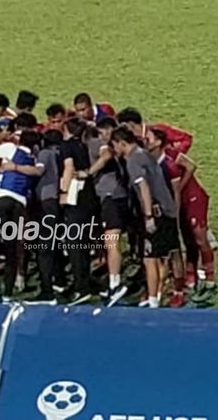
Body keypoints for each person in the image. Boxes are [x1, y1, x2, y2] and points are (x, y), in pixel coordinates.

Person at [111, 126, 180, 308]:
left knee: (149, 259)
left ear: (122, 143)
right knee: (161, 257)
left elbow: (144, 188)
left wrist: (148, 216)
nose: (114, 150)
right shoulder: (145, 154)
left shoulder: (133, 160)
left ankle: (152, 300)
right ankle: (155, 296)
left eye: (115, 145)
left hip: (156, 213)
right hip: (168, 211)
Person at [147, 128, 217, 303]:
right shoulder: (151, 160)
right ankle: (191, 278)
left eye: (148, 138)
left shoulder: (170, 155)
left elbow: (191, 166)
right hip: (180, 202)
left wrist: (180, 187)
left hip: (194, 199)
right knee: (188, 240)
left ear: (158, 142)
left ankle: (210, 281)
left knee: (200, 239)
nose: (145, 140)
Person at [0, 131, 43, 301]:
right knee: (13, 247)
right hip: (20, 204)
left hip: (3, 197)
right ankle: (8, 291)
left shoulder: (10, 148)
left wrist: (0, 139)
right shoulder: (33, 160)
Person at [83, 117, 130, 307]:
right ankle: (113, 283)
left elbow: (106, 156)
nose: (102, 135)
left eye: (104, 131)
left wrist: (88, 173)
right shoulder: (114, 148)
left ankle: (115, 284)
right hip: (114, 197)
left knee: (112, 241)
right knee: (110, 241)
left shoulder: (103, 145)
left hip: (112, 197)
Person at [26, 129, 65, 305]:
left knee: (44, 248)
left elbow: (38, 171)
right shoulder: (59, 154)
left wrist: (16, 168)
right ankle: (60, 282)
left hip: (45, 202)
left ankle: (47, 291)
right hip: (55, 203)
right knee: (54, 246)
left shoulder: (44, 154)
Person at [59, 117, 96, 306]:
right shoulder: (83, 145)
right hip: (89, 197)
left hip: (75, 195)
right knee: (83, 243)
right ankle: (85, 284)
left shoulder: (67, 145)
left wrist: (63, 192)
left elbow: (68, 168)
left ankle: (81, 288)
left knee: (73, 243)